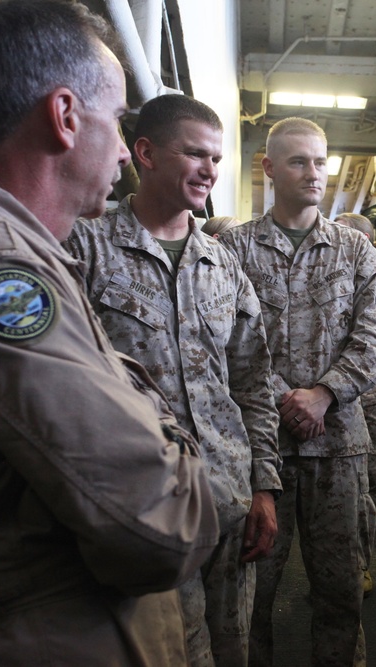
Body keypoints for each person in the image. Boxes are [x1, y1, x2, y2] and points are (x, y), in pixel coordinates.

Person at [0, 1, 219, 664]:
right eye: (117, 122)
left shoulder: (2, 256)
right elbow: (164, 527)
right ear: (64, 117)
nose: (124, 150)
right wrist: (187, 466)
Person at [65, 94, 281, 667]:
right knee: (171, 656)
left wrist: (264, 485)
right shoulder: (85, 247)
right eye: (195, 154)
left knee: (233, 645)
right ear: (146, 153)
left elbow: (254, 382)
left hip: (229, 499)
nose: (210, 170)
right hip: (145, 509)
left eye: (216, 157)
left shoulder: (221, 263)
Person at [218, 117, 376, 667]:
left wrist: (323, 394)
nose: (313, 173)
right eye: (298, 161)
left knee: (340, 594)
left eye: (320, 161)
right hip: (259, 452)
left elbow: (375, 338)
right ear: (269, 168)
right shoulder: (233, 248)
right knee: (251, 598)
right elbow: (222, 340)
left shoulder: (356, 251)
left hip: (338, 448)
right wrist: (285, 398)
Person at [335, 212, 376, 597]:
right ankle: (339, 561)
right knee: (338, 486)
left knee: (375, 480)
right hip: (334, 403)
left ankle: (361, 561)